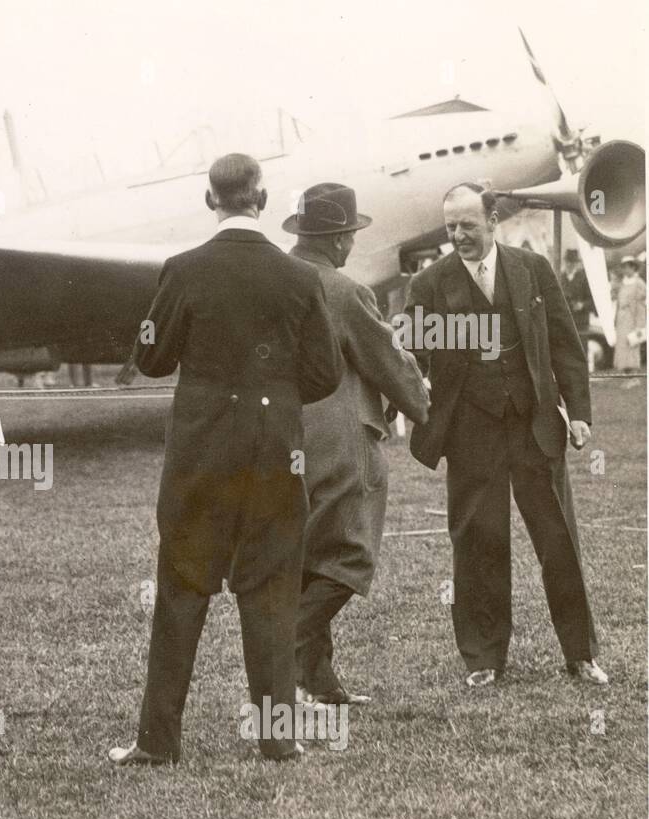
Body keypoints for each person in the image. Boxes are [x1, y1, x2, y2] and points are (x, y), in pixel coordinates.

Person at [107, 153, 342, 766]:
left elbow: (152, 359)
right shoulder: (299, 279)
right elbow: (325, 373)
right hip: (275, 453)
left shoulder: (183, 270)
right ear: (262, 199)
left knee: (182, 587)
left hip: (201, 456)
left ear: (210, 200)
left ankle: (158, 741)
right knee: (270, 590)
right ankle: (276, 737)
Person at [407, 182, 606, 688]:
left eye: (468, 226)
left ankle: (581, 654)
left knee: (559, 540)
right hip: (470, 435)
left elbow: (564, 343)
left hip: (535, 426)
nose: (458, 235)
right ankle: (483, 659)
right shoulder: (430, 284)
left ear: (493, 221)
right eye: (451, 226)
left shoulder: (532, 269)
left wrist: (578, 412)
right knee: (477, 542)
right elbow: (411, 354)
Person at [285, 183, 430, 705]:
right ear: (342, 239)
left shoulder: (273, 281)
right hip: (340, 441)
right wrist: (424, 407)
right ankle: (283, 655)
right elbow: (388, 361)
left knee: (305, 559)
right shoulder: (343, 291)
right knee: (350, 556)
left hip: (281, 441)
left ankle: (315, 682)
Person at [612, 255, 645, 372]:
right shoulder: (623, 283)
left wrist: (639, 324)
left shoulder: (639, 283)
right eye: (623, 267)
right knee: (622, 346)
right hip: (622, 319)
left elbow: (641, 305)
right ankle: (626, 374)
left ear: (633, 267)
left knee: (632, 344)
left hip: (632, 318)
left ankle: (633, 376)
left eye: (627, 267)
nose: (625, 270)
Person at [559, 249, 593, 334]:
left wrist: (582, 305)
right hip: (564, 323)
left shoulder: (584, 278)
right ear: (564, 262)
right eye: (567, 261)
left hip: (580, 323)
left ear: (576, 263)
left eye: (572, 262)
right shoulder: (560, 277)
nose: (569, 264)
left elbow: (592, 300)